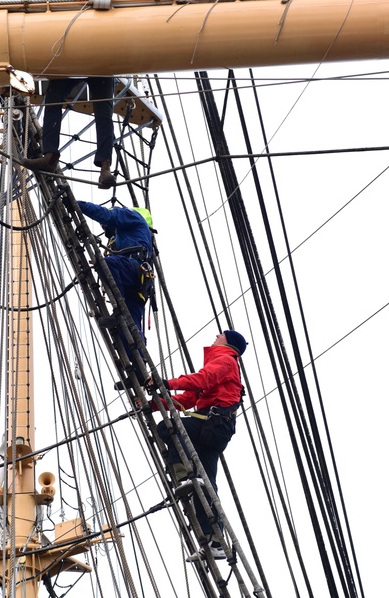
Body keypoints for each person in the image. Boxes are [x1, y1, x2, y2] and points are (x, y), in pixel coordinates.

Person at [23, 0, 143, 188]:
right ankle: (49, 156)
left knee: (103, 107)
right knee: (53, 97)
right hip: (74, 55)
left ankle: (105, 167)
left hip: (101, 56)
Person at [153, 330, 246, 561]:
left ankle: (182, 475)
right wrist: (154, 403)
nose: (216, 335)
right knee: (207, 484)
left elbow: (202, 379)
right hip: (215, 427)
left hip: (211, 425)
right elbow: (190, 398)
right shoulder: (225, 364)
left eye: (221, 334)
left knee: (168, 428)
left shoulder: (225, 360)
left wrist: (166, 383)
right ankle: (215, 541)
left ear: (228, 342)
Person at [78, 201, 154, 341]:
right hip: (137, 286)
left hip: (133, 271)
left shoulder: (131, 215)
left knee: (108, 263)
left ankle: (118, 311)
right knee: (129, 333)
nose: (105, 230)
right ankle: (138, 361)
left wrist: (77, 205)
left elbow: (107, 215)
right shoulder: (126, 235)